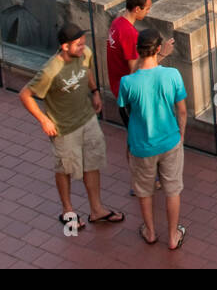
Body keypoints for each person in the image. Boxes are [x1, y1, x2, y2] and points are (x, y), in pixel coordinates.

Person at [18, 23, 124, 230]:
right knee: (65, 169)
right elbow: (25, 94)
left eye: (84, 43)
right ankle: (68, 210)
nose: (83, 47)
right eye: (78, 44)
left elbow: (87, 70)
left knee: (92, 164)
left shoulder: (85, 53)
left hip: (87, 120)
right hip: (64, 128)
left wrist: (94, 91)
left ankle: (97, 209)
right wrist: (44, 120)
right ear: (64, 47)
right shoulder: (51, 71)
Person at [118, 28, 188, 249]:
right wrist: (181, 134)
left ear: (138, 50)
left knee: (144, 191)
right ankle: (173, 235)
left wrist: (130, 139)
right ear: (159, 49)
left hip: (141, 144)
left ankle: (150, 231)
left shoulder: (127, 82)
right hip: (169, 139)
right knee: (172, 189)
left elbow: (124, 110)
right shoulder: (172, 75)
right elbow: (182, 111)